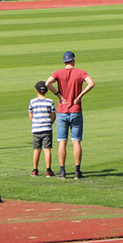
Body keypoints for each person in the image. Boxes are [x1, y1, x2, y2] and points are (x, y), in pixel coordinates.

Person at [45, 50, 95, 179]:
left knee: (62, 142)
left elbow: (47, 83)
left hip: (62, 111)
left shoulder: (58, 73)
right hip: (76, 110)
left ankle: (62, 171)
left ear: (64, 61)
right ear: (74, 59)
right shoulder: (80, 72)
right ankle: (77, 172)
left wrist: (59, 95)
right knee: (76, 141)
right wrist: (79, 96)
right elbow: (91, 83)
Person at [28, 80, 56, 177]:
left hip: (36, 129)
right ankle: (48, 170)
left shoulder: (32, 102)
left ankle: (35, 170)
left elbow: (31, 116)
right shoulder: (50, 102)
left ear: (36, 90)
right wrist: (50, 123)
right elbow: (53, 116)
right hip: (47, 128)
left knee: (36, 149)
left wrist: (34, 124)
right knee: (47, 149)